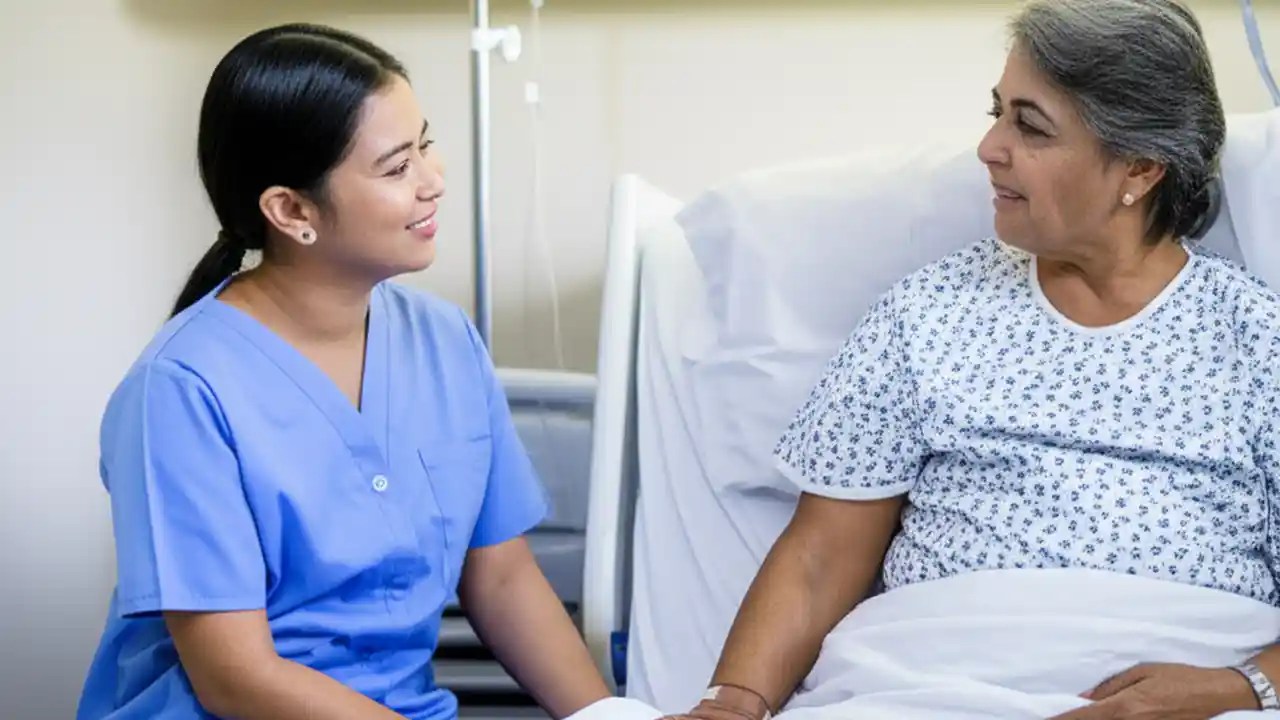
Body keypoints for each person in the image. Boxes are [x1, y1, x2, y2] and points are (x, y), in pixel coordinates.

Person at [667, 1, 1280, 719]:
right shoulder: (925, 315)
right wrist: (732, 704)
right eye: (997, 112)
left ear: (1139, 169)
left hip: (1190, 685)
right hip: (927, 685)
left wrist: (1245, 687)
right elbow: (819, 557)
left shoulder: (1257, 341)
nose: (990, 147)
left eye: (1030, 125)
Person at [76, 24, 616, 720]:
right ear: (292, 211)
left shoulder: (445, 341)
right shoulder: (181, 392)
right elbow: (235, 677)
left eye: (425, 143)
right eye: (396, 168)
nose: (434, 181)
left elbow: (503, 576)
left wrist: (608, 715)